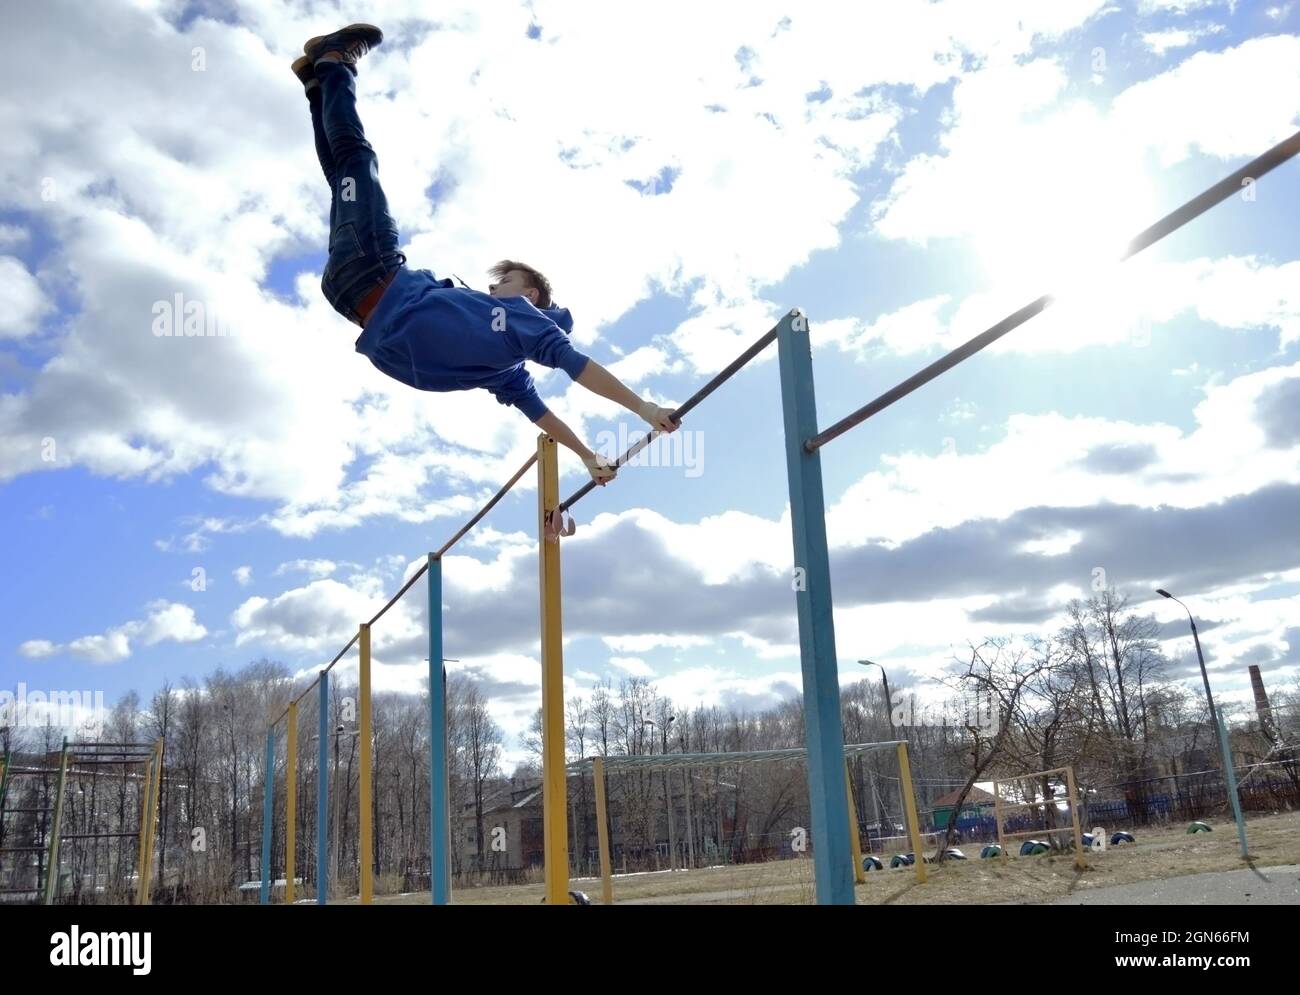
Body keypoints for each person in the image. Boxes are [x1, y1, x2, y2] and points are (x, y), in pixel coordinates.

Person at [292, 24, 677, 485]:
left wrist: (641, 410)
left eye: (505, 283)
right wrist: (586, 453)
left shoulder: (523, 322)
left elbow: (574, 373)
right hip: (350, 295)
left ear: (531, 295)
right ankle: (319, 83)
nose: (492, 288)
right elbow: (543, 415)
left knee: (358, 162)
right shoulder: (505, 363)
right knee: (346, 176)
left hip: (372, 269)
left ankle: (336, 66)